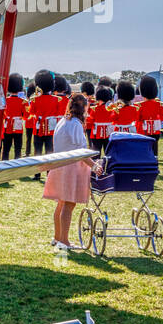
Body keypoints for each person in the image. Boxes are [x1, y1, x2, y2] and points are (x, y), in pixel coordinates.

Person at [43, 93, 98, 250]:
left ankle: (58, 237)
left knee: (61, 203)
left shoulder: (63, 120)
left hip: (60, 164)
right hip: (70, 167)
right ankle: (64, 240)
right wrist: (93, 165)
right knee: (68, 203)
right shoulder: (75, 124)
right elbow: (79, 151)